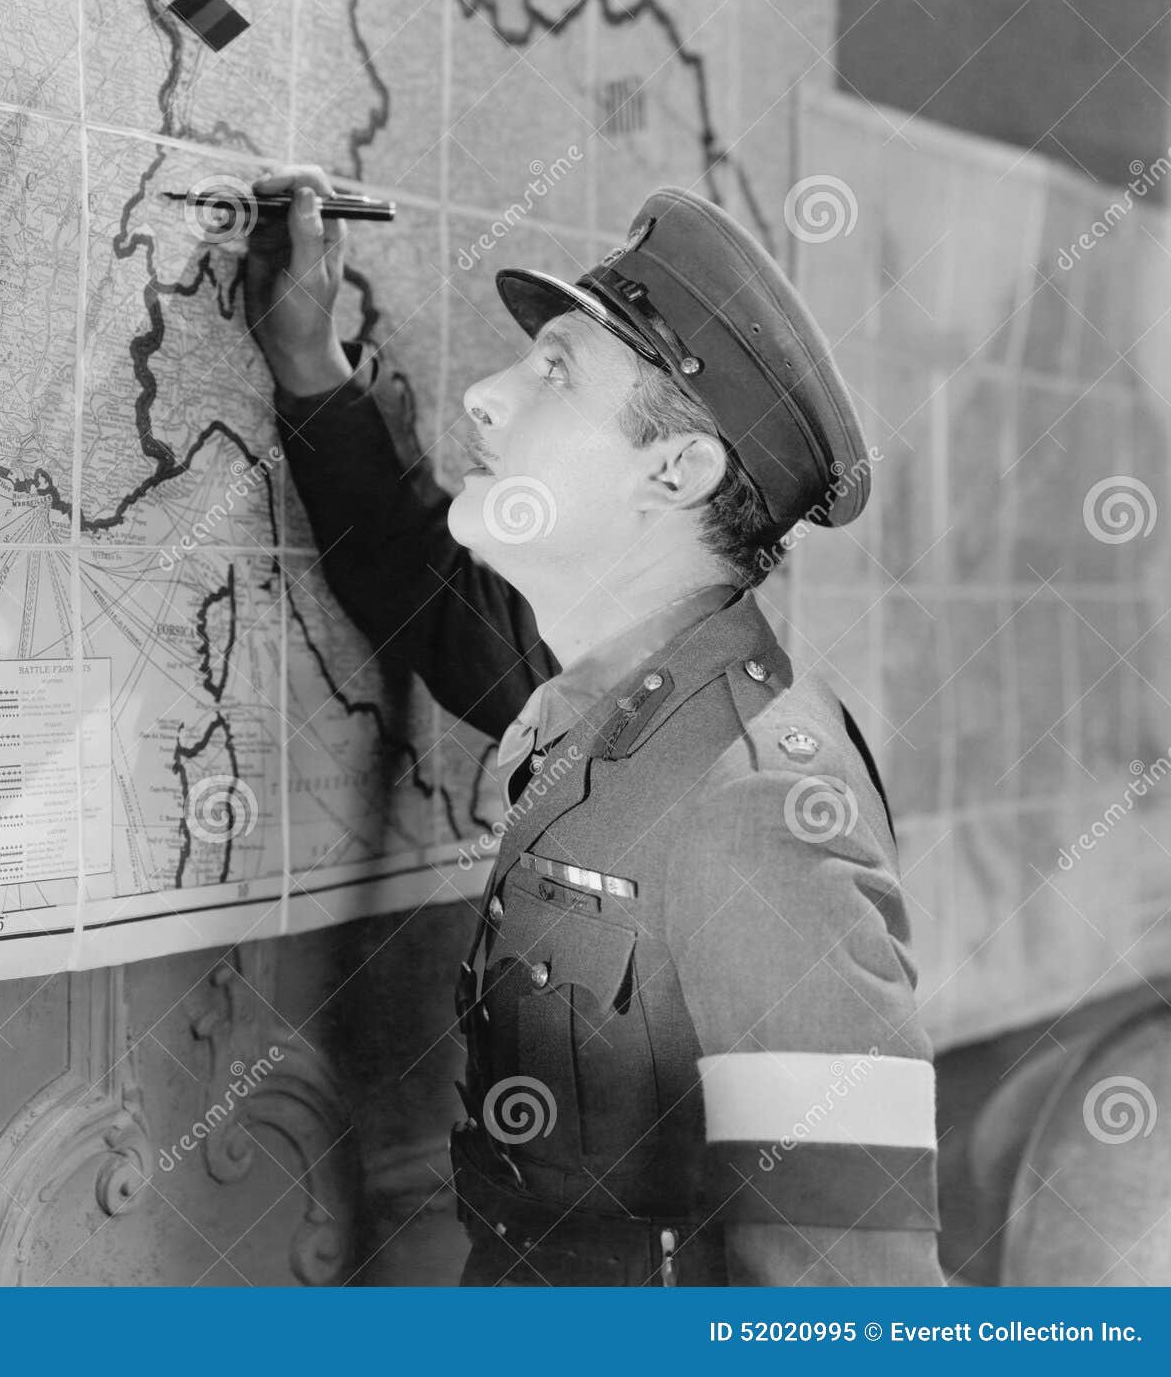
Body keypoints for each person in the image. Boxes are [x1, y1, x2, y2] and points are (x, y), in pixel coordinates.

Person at [241, 166, 944, 1287]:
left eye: (553, 374)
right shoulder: (609, 693)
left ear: (675, 471)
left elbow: (854, 1300)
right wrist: (307, 362)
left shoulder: (753, 813)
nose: (482, 392)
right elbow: (423, 582)